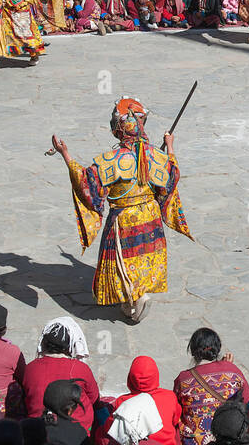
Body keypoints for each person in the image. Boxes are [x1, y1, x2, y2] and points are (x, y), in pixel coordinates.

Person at [52, 97, 191, 322]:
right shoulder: (155, 155)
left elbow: (86, 183)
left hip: (123, 220)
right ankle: (140, 294)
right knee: (144, 258)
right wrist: (171, 147)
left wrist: (65, 154)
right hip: (150, 216)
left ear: (118, 131)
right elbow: (172, 175)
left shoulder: (111, 160)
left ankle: (133, 297)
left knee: (123, 260)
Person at [174, 327, 249, 445]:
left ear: (192, 350)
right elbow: (247, 397)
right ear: (217, 349)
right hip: (228, 442)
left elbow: (176, 408)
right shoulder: (232, 370)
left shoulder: (183, 379)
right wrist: (226, 367)